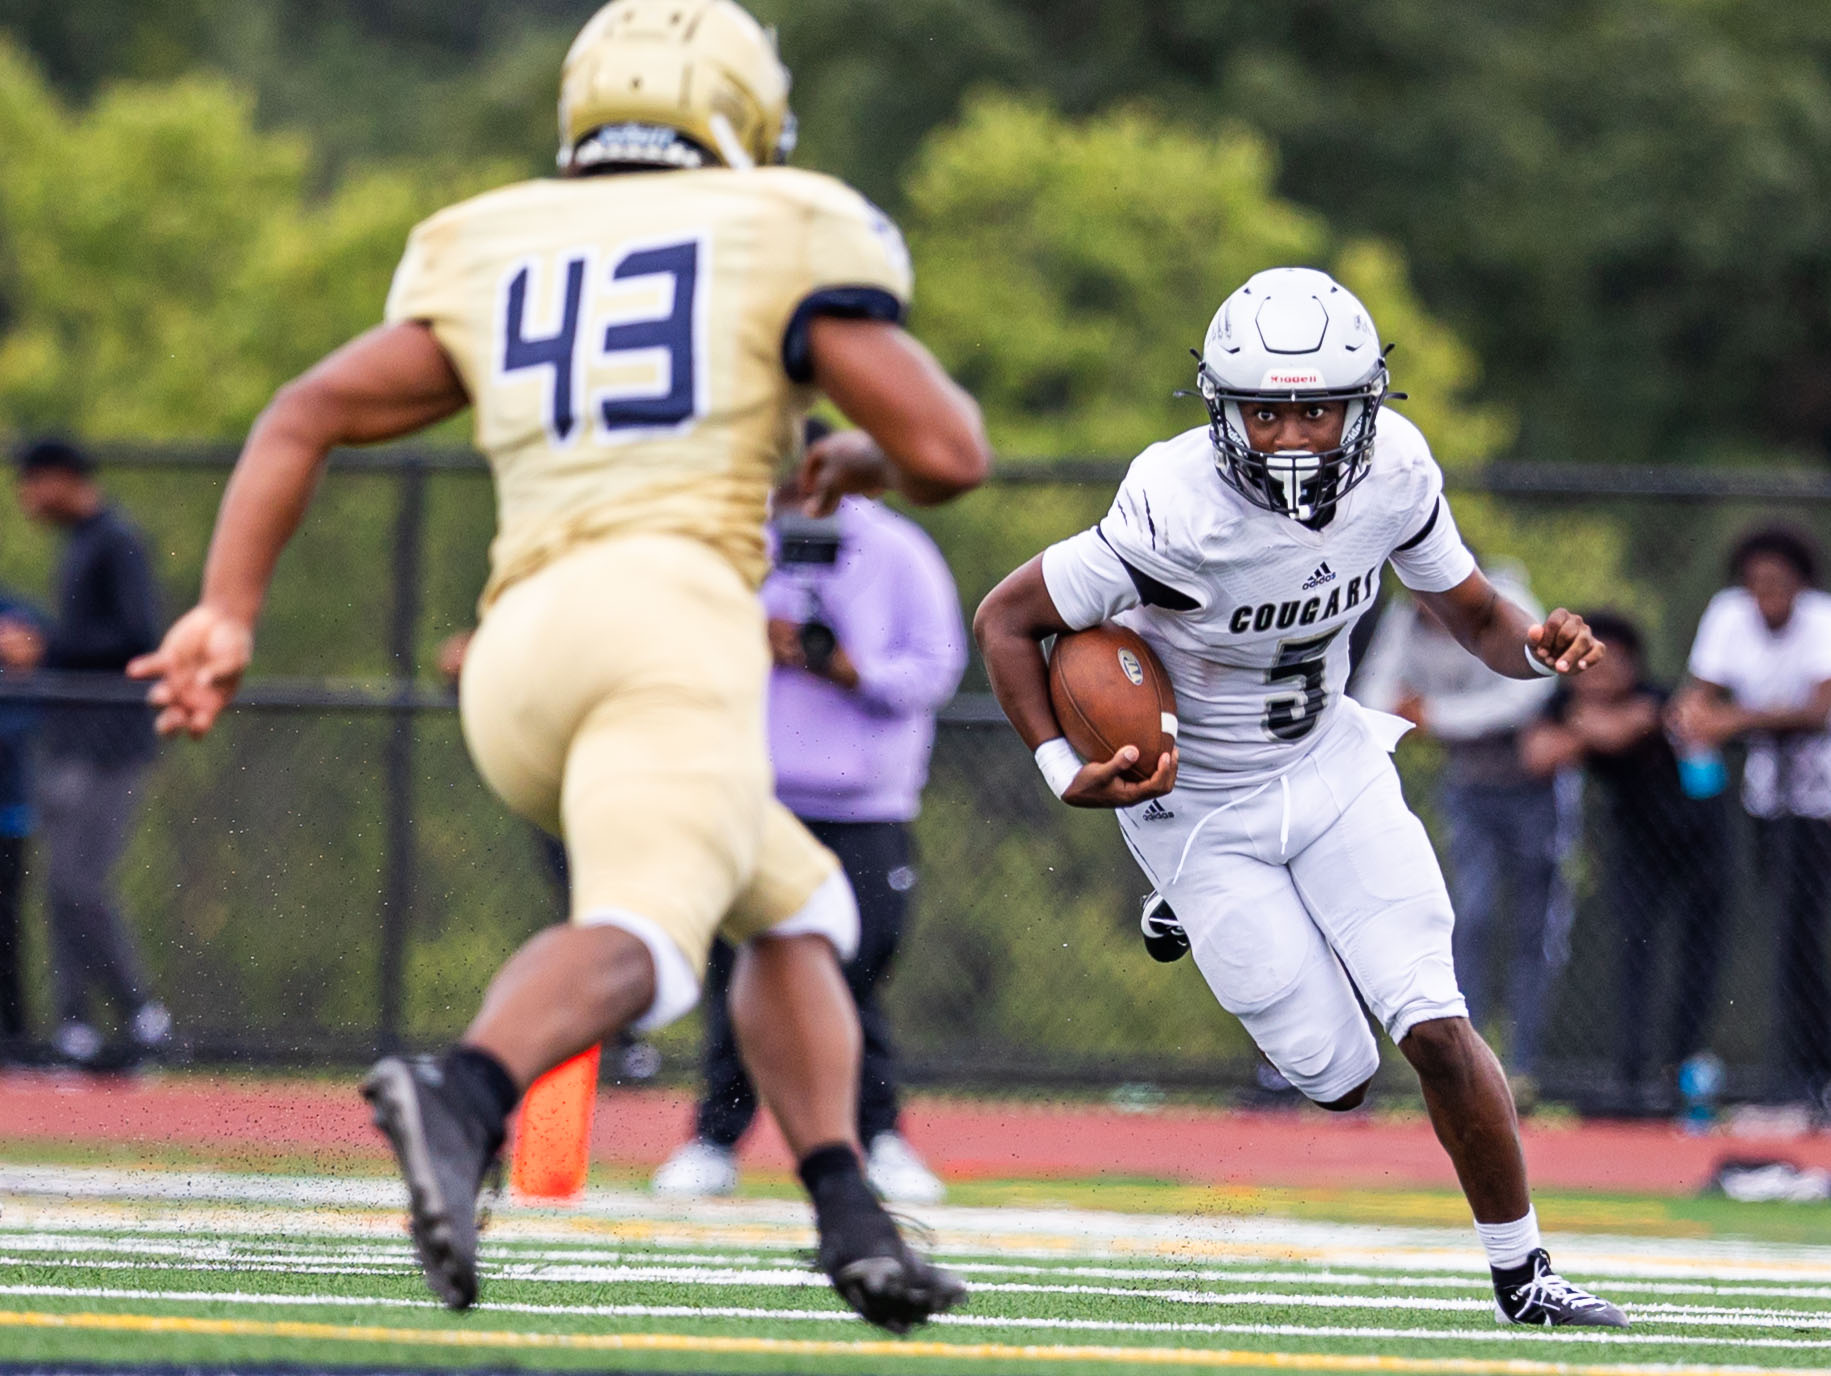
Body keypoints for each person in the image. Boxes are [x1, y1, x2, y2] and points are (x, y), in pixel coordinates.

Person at [129, 0, 989, 1332]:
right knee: (651, 931)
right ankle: (465, 1092)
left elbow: (304, 411)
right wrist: (866, 456)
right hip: (670, 623)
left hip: (517, 652)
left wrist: (225, 612)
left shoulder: (490, 243)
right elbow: (947, 454)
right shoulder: (777, 226)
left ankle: (848, 1214)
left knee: (795, 906)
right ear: (745, 117)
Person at [974, 267, 1626, 1327]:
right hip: (1195, 810)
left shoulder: (1398, 472)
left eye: (1314, 407)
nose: (1288, 436)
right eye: (1264, 410)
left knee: (1434, 1023)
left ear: (1364, 405)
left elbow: (1467, 611)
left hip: (1332, 765)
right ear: (1220, 409)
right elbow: (1007, 619)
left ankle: (1524, 1273)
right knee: (1338, 1076)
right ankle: (1189, 898)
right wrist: (1061, 769)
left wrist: (1536, 649)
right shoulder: (1173, 503)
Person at [655, 435, 966, 1204]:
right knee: (742, 972)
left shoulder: (898, 551)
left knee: (854, 972)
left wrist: (849, 669)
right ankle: (713, 1141)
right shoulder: (731, 548)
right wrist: (746, 640)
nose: (800, 481)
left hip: (865, 806)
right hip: (755, 797)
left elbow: (935, 668)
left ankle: (880, 1138)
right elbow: (673, 658)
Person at [1354, 565, 1571, 1100]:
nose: (1426, 605)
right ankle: (1467, 1060)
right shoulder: (1408, 617)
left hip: (1532, 785)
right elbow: (1372, 698)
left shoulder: (1506, 596)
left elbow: (1532, 687)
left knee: (1534, 929)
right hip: (1468, 783)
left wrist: (1435, 715)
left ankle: (1523, 1065)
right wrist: (1421, 715)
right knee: (1467, 915)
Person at [1520, 611, 1731, 1108]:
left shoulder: (1656, 699)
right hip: (1635, 847)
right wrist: (1587, 725)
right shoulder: (1561, 702)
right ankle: (1632, 1077)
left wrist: (1582, 729)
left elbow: (1620, 732)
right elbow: (1537, 757)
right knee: (1635, 952)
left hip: (1700, 841)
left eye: (1614, 664)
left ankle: (1683, 1068)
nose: (1603, 676)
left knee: (1698, 959)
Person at [14, 438, 170, 1069]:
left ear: (60, 478)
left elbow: (137, 638)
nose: (25, 500)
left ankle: (142, 1015)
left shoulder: (117, 540)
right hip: (71, 741)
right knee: (58, 888)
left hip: (110, 745)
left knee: (81, 884)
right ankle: (75, 1026)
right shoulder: (79, 545)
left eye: (30, 483)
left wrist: (46, 651)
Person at [1670, 526, 1831, 1114]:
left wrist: (1732, 721)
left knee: (1806, 935)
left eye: (1779, 585)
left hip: (1821, 800)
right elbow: (1697, 698)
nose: (1768, 597)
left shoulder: (1820, 621)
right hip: (1769, 798)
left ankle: (1813, 1071)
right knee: (1786, 934)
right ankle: (1801, 1075)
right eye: (1757, 584)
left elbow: (1817, 710)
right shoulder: (1728, 614)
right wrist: (1697, 717)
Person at [0, 579, 45, 1063]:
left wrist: (27, 659)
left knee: (6, 930)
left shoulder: (16, 615)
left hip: (7, 812)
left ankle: (16, 1042)